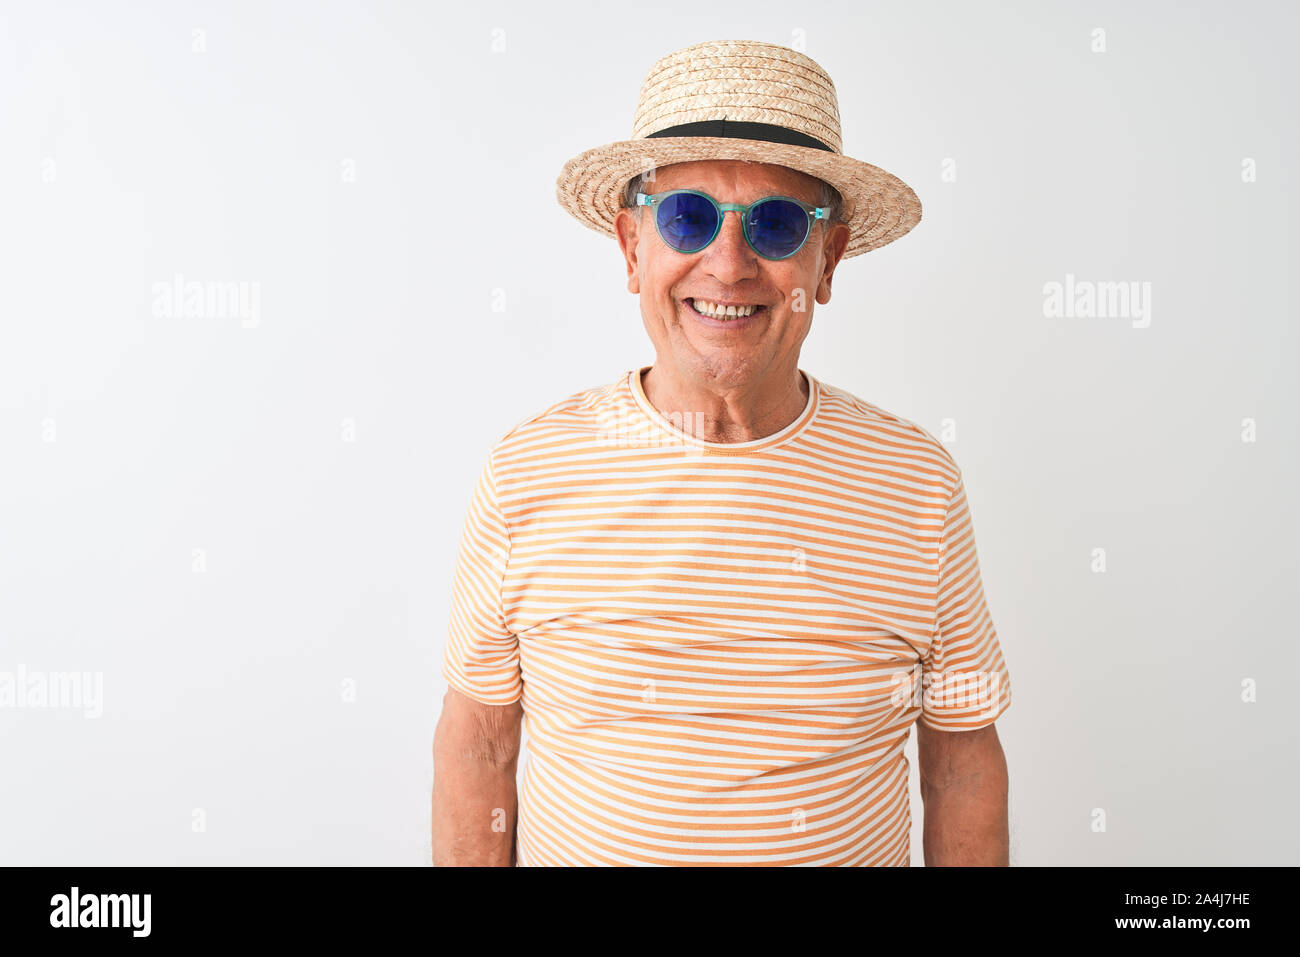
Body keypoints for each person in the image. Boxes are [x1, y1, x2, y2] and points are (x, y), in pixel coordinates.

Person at [433, 39, 1011, 866]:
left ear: (829, 257)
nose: (729, 264)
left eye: (776, 224)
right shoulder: (527, 473)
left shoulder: (918, 483)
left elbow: (961, 760)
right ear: (633, 248)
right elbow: (478, 747)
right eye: (688, 217)